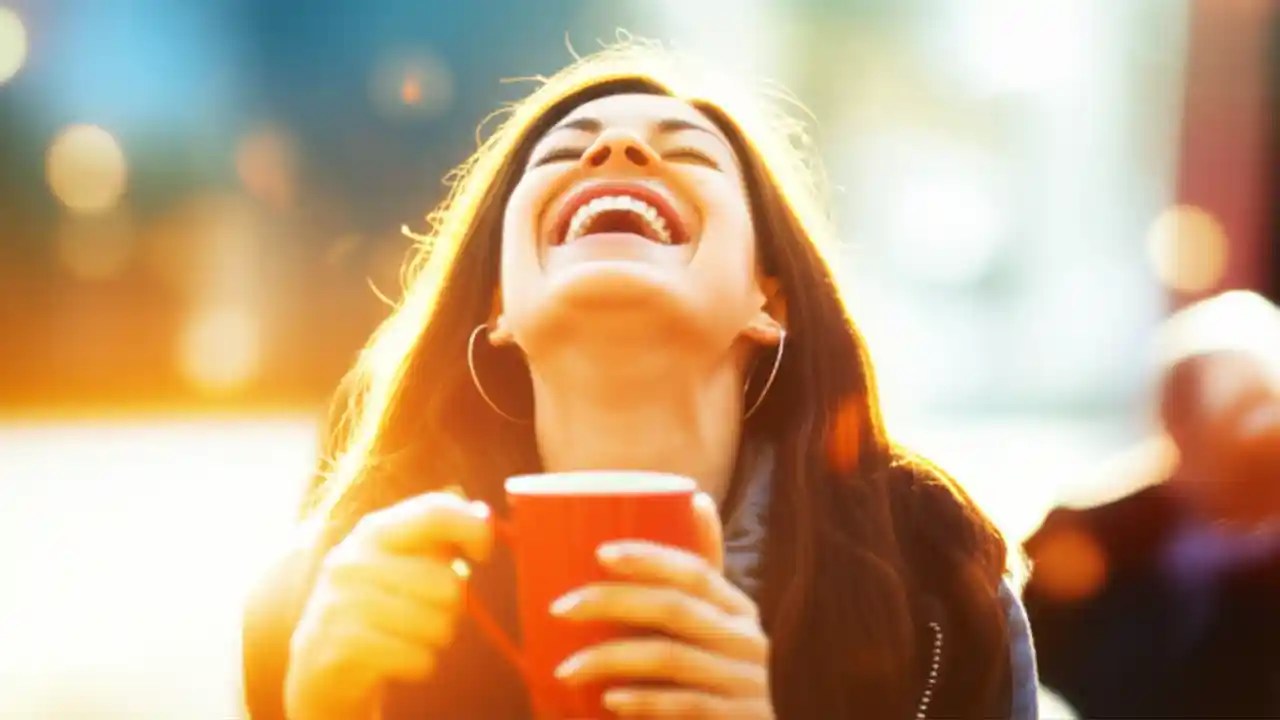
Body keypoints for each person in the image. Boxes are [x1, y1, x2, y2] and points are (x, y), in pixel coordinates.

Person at [242, 42, 1038, 719]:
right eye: (563, 151)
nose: (615, 153)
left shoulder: (940, 588)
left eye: (687, 152)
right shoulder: (321, 603)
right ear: (497, 307)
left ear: (770, 301)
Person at [1023, 290, 1280, 717]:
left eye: (1255, 407)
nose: (1237, 432)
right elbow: (1033, 651)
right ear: (1167, 419)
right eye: (1191, 409)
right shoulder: (1096, 531)